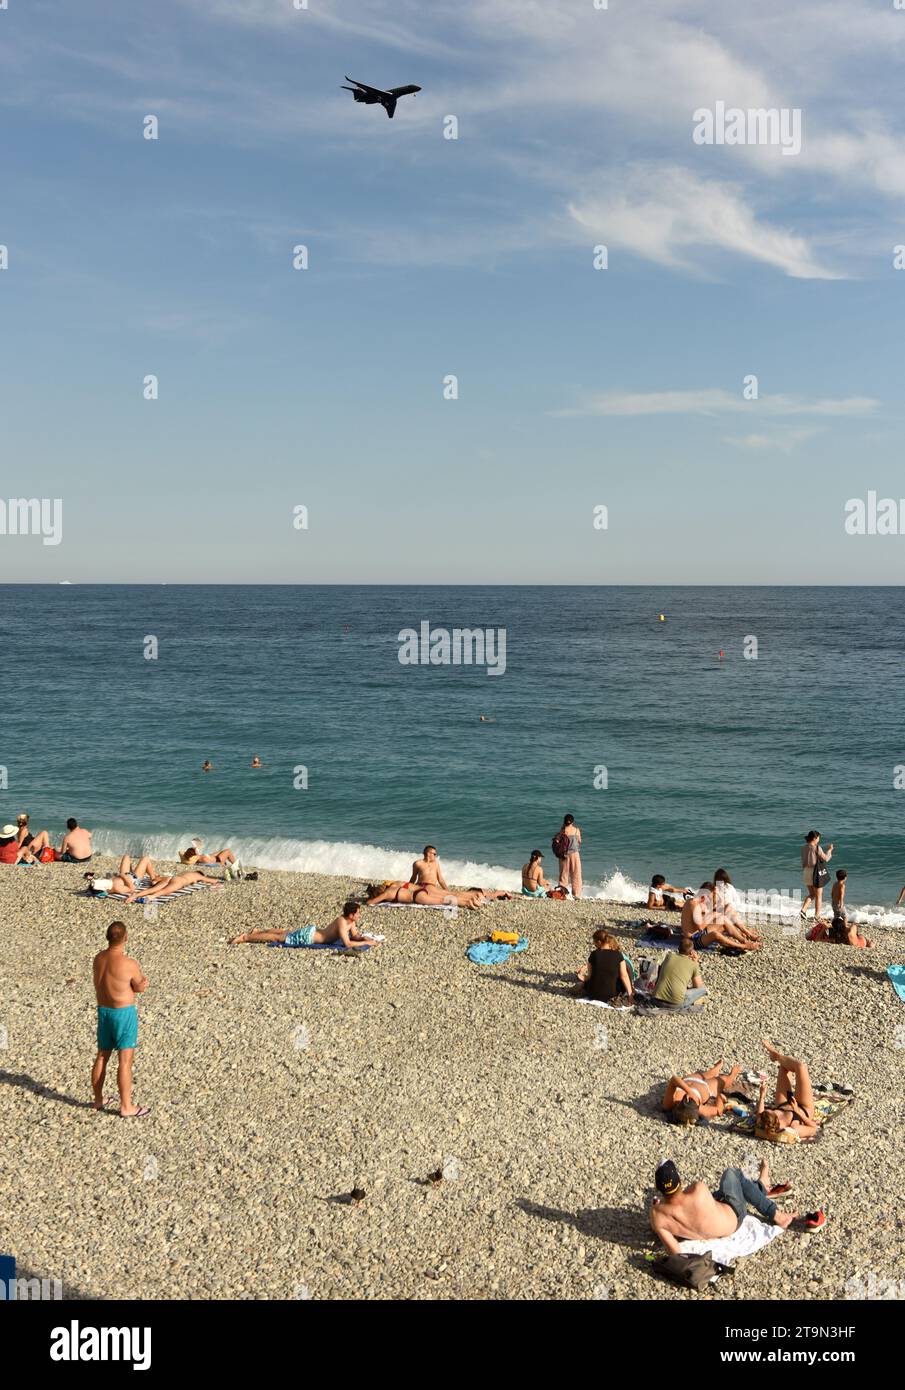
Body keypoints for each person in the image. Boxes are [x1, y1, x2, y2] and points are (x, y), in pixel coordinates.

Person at [649, 1159, 798, 1255]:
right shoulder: (697, 1189)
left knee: (723, 1192)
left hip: (703, 1231)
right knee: (732, 1175)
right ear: (679, 1182)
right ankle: (776, 1214)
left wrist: (658, 1208)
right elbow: (693, 1204)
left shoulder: (657, 1217)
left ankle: (762, 1184)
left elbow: (674, 1251)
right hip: (734, 1219)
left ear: (658, 1188)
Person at [92, 921, 150, 1118]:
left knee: (102, 1056)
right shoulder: (128, 963)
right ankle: (127, 1106)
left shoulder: (98, 958)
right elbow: (139, 987)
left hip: (104, 1011)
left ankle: (98, 1099)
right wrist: (143, 984)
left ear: (108, 937)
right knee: (124, 1061)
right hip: (123, 1013)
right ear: (125, 938)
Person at [230, 901, 380, 948]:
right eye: (358, 913)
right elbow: (347, 943)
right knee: (279, 938)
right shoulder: (342, 921)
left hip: (313, 932)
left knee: (284, 932)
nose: (360, 915)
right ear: (351, 915)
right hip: (308, 937)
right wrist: (367, 943)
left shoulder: (350, 922)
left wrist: (365, 938)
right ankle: (246, 937)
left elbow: (355, 936)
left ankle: (257, 931)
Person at [755, 1040, 819, 1142]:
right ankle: (776, 1056)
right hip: (803, 1108)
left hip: (783, 1104)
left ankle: (776, 1056)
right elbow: (813, 1128)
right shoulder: (793, 1129)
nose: (769, 1108)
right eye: (770, 1110)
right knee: (801, 1067)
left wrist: (762, 1096)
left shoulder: (763, 1121)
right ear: (776, 1118)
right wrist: (797, 1111)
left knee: (784, 1067)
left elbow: (759, 1114)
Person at [662, 1059, 743, 1125]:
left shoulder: (670, 1103)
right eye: (694, 1100)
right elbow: (719, 1110)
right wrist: (720, 1097)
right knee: (725, 1079)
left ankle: (714, 1070)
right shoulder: (700, 1109)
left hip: (688, 1080)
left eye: (687, 1098)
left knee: (707, 1074)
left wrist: (689, 1091)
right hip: (707, 1087)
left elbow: (674, 1079)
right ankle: (733, 1073)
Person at [680, 885, 761, 951]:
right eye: (710, 897)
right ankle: (743, 946)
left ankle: (744, 941)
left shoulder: (698, 901)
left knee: (723, 918)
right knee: (716, 934)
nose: (710, 900)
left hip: (699, 934)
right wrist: (713, 914)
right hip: (692, 940)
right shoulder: (693, 904)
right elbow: (700, 927)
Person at [577, 929, 633, 1003]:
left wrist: (581, 975)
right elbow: (624, 976)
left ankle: (582, 986)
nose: (594, 944)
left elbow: (590, 977)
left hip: (592, 994)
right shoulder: (618, 955)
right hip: (612, 995)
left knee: (590, 982)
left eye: (594, 942)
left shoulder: (594, 954)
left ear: (599, 942)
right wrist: (630, 994)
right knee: (620, 980)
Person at [652, 938, 708, 1008]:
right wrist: (696, 962)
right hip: (675, 1004)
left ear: (678, 948)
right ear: (691, 952)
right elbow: (698, 986)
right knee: (702, 989)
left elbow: (660, 972)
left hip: (656, 1000)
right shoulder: (693, 964)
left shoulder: (669, 957)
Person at [801, 830, 833, 920]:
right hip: (815, 872)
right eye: (818, 838)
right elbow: (825, 858)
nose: (819, 839)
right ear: (815, 838)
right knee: (818, 896)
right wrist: (830, 850)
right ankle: (817, 915)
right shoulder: (817, 848)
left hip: (806, 872)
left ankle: (803, 910)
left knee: (811, 894)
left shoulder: (803, 847)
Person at [555, 814, 582, 898]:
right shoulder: (576, 830)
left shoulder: (562, 830)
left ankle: (563, 893)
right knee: (576, 874)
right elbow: (579, 841)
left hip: (564, 855)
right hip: (574, 855)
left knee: (563, 874)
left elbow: (556, 841)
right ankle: (576, 894)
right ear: (572, 822)